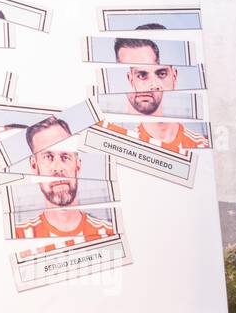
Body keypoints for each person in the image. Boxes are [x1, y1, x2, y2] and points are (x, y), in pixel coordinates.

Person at [14, 116, 113, 242]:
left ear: (77, 164)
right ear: (34, 166)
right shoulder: (19, 236)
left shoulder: (110, 234)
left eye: (65, 156)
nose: (58, 168)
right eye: (48, 157)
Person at [113, 25, 208, 153]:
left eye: (161, 73)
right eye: (142, 75)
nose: (154, 85)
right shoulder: (124, 149)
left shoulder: (202, 145)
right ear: (131, 80)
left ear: (174, 75)